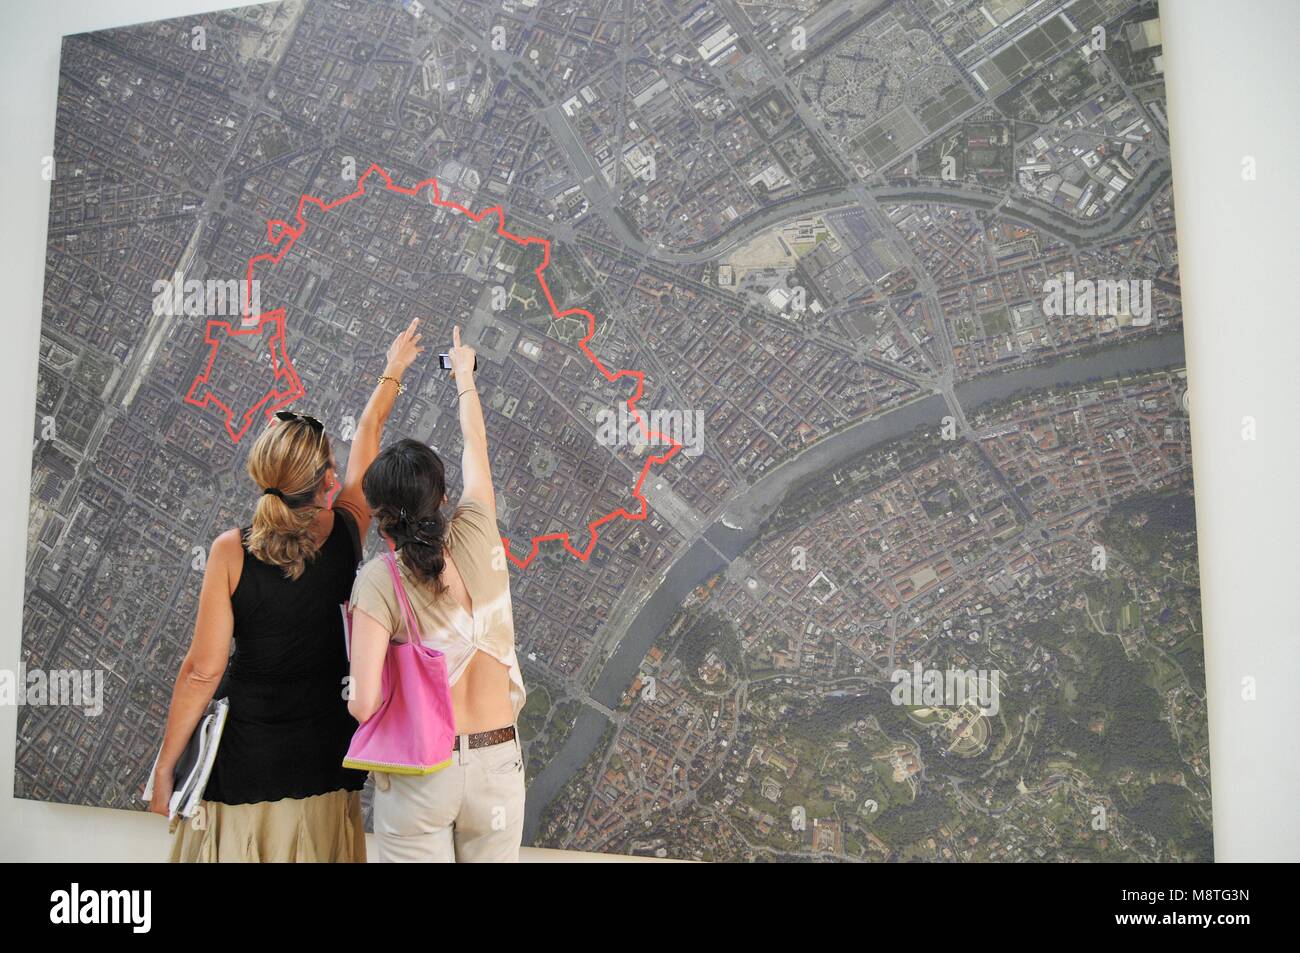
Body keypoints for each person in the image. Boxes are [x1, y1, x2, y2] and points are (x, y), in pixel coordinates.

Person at [149, 319, 425, 862]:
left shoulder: (231, 551)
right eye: (331, 468)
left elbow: (203, 671)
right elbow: (369, 433)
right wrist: (393, 370)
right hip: (326, 762)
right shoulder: (348, 530)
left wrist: (165, 767)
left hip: (245, 769)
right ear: (326, 480)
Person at [348, 325, 526, 863]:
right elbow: (477, 447)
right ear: (444, 496)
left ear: (380, 519)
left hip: (424, 772)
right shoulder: (480, 529)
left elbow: (363, 703)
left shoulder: (379, 580)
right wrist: (464, 378)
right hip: (498, 765)